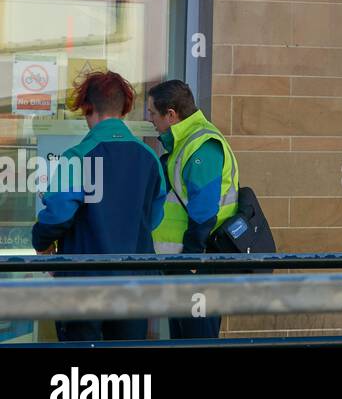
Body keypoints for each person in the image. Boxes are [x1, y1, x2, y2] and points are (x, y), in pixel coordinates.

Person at [32, 70, 165, 342]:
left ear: (88, 108)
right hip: (136, 282)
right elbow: (154, 216)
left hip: (85, 282)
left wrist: (41, 240)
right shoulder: (150, 158)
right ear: (124, 108)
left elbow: (58, 214)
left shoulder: (78, 156)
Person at [145, 79, 240, 340]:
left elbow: (204, 211)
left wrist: (191, 259)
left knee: (197, 339)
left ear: (171, 115)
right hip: (185, 264)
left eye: (153, 113)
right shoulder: (183, 143)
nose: (150, 119)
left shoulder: (200, 145)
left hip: (197, 265)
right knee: (184, 339)